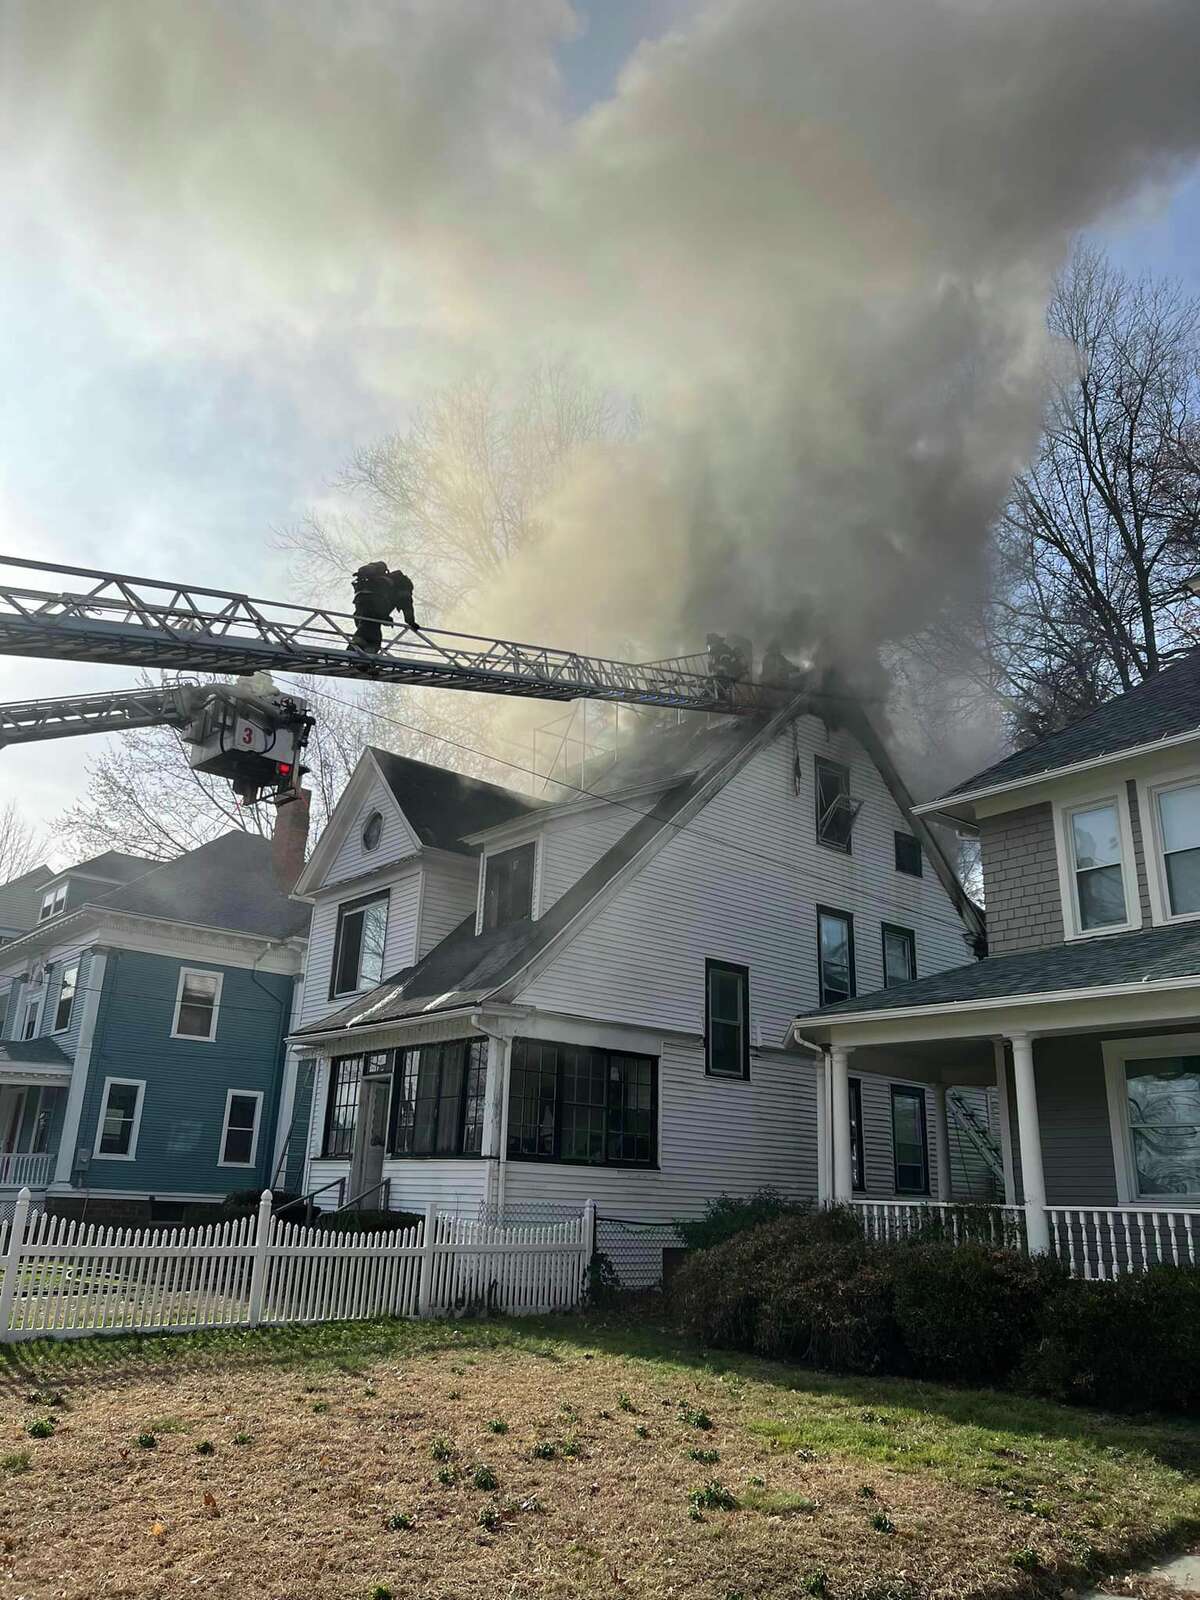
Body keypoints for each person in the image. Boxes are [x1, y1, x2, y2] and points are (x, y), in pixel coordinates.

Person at [348, 562, 419, 652]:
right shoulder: (401, 584)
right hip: (377, 602)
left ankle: (358, 651)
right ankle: (366, 652)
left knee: (367, 625)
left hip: (360, 602)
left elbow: (361, 613)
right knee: (371, 630)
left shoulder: (374, 580)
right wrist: (411, 621)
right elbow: (406, 604)